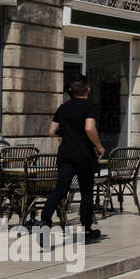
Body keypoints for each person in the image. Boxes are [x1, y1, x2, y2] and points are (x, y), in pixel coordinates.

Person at [42, 78, 105, 246]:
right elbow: (89, 128)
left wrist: (68, 132)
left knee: (59, 190)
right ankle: (86, 229)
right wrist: (99, 146)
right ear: (88, 89)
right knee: (86, 192)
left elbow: (51, 131)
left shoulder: (63, 108)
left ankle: (45, 222)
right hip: (83, 154)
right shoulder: (91, 107)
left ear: (71, 90)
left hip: (65, 154)